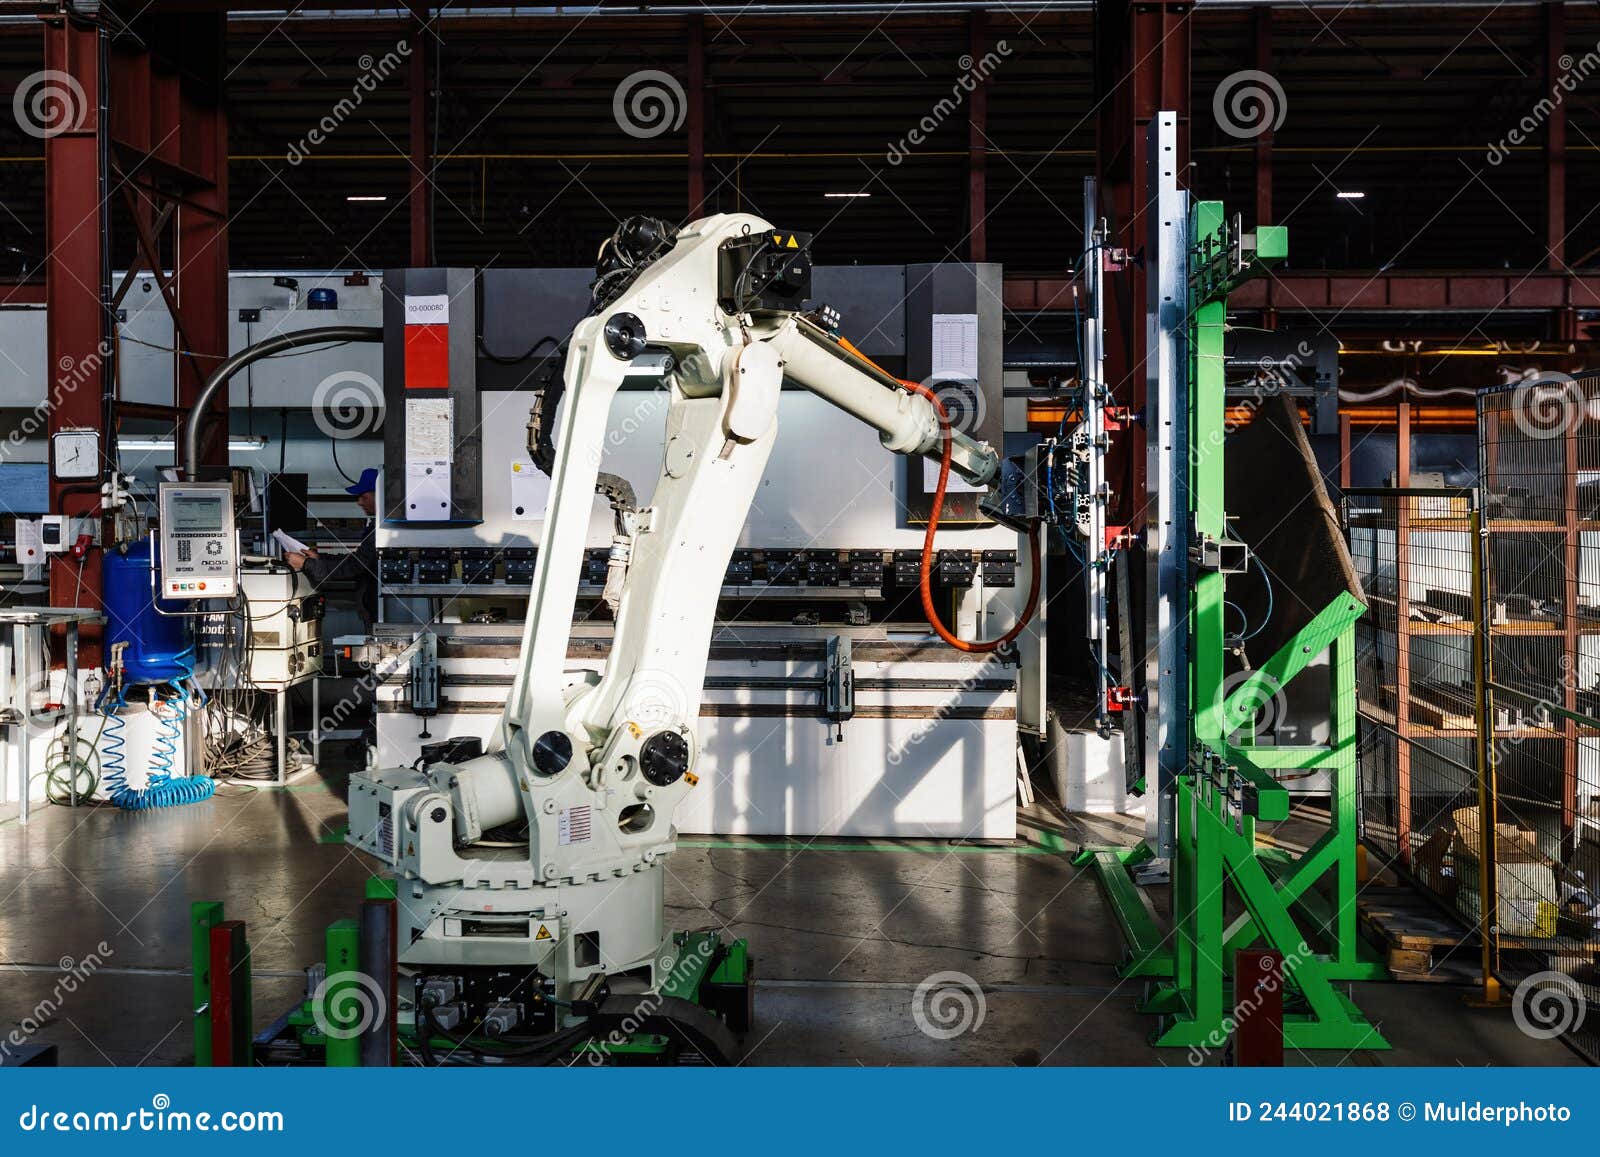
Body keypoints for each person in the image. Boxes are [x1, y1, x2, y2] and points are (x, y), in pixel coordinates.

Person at [285, 467, 379, 626]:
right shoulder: (378, 526)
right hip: (373, 609)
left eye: (364, 496)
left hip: (378, 612)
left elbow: (354, 567)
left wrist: (306, 564)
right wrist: (319, 557)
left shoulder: (382, 530)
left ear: (381, 495)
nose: (359, 502)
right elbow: (356, 560)